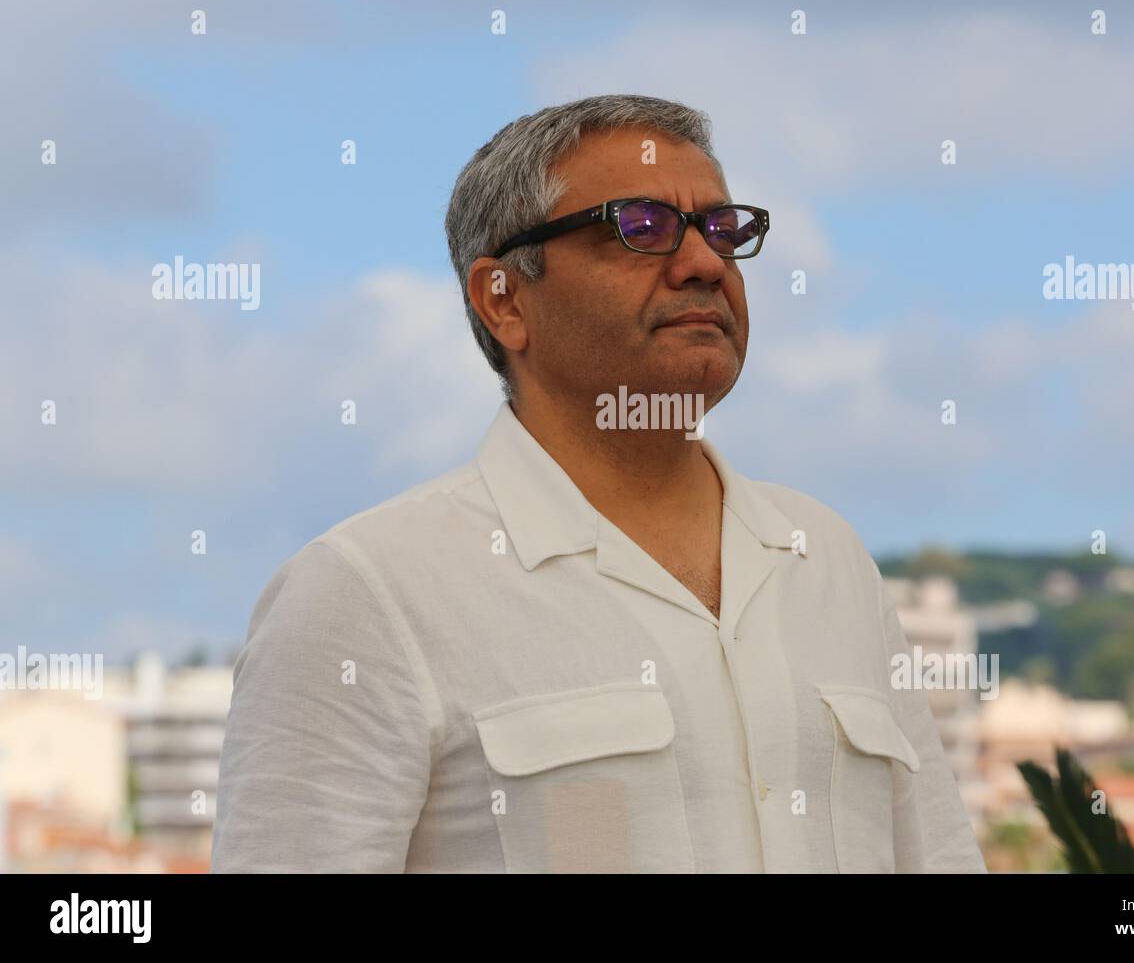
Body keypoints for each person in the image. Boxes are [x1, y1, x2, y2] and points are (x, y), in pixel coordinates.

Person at [210, 93, 987, 873]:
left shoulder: (826, 558)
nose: (705, 263)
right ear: (503, 299)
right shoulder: (368, 592)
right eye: (641, 227)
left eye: (723, 230)